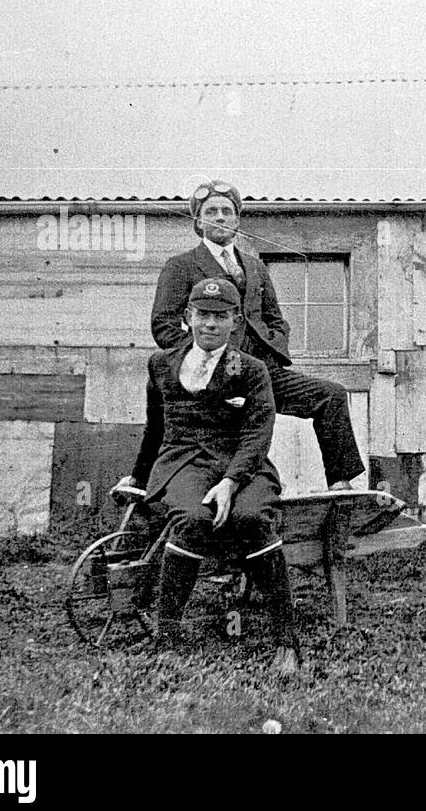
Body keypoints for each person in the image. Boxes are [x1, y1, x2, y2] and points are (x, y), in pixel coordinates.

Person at [126, 277, 301, 671]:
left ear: (235, 321)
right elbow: (154, 429)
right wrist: (137, 477)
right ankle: (167, 638)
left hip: (243, 466)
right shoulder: (161, 365)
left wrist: (231, 482)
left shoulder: (252, 370)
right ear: (188, 317)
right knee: (191, 519)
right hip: (183, 464)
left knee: (253, 517)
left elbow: (259, 432)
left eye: (220, 317)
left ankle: (286, 643)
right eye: (203, 315)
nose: (210, 324)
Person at [150, 179, 365, 490]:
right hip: (215, 377)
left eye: (227, 211)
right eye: (211, 211)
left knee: (330, 394)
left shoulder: (254, 267)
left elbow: (276, 319)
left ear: (238, 219)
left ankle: (341, 486)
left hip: (262, 371)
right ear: (198, 221)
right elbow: (164, 325)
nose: (220, 217)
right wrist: (205, 360)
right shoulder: (181, 266)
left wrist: (273, 348)